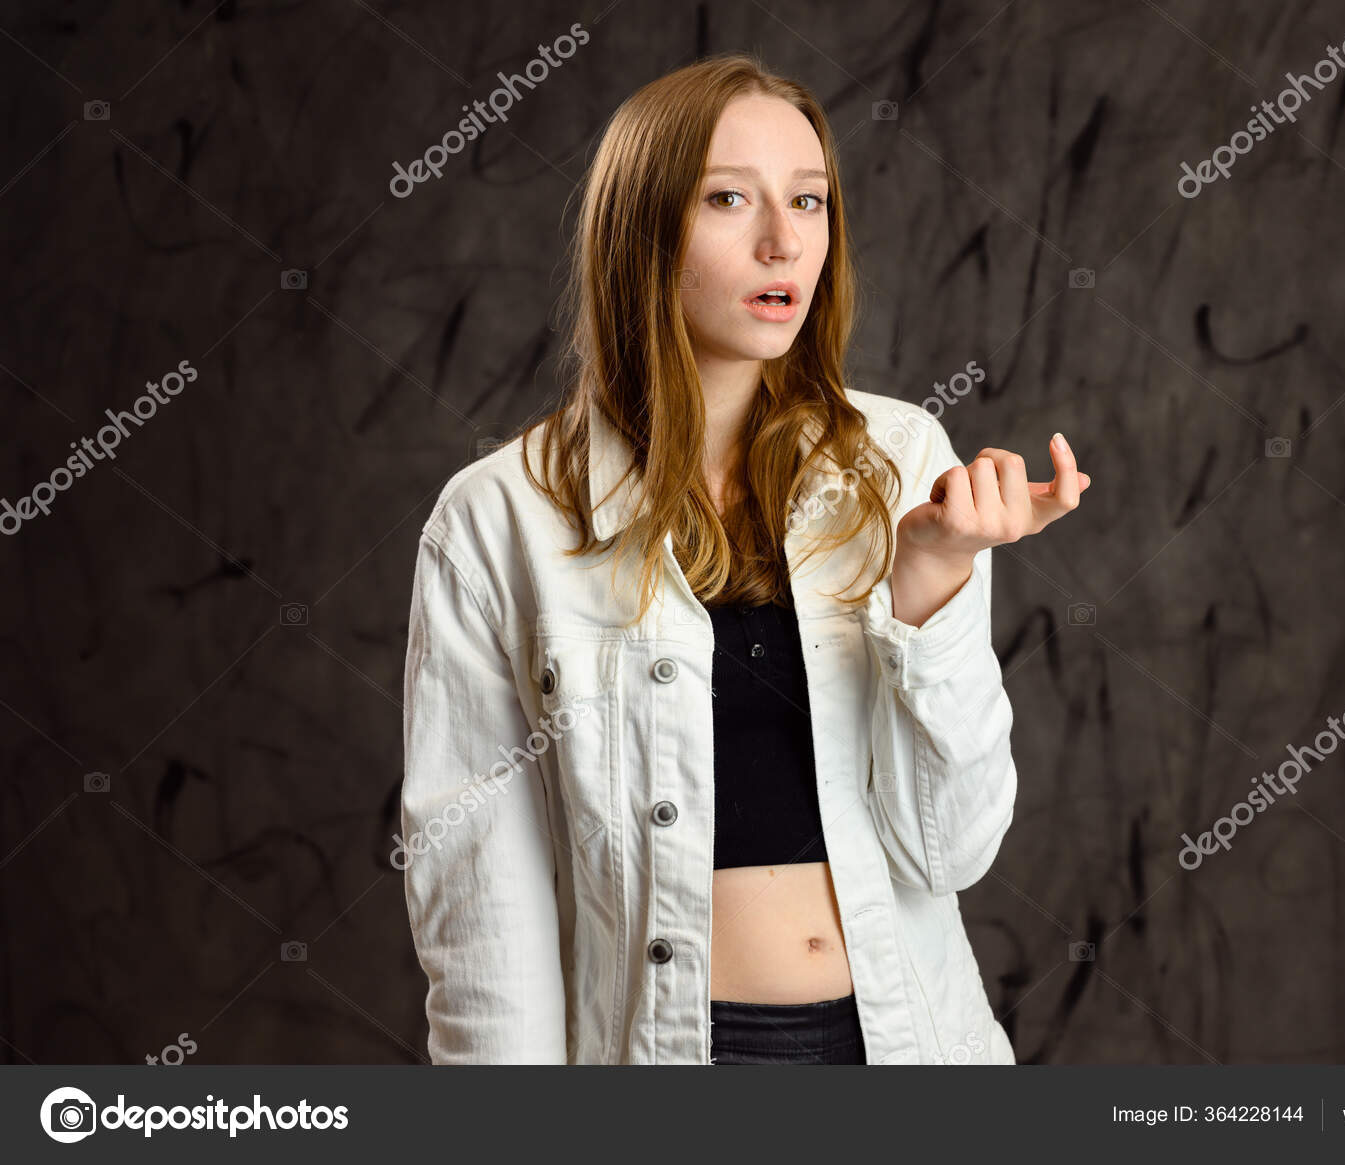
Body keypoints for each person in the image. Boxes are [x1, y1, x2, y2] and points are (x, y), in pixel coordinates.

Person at [400, 51, 1090, 1065]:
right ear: (641, 228)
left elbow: (951, 849)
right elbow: (480, 914)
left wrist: (928, 590)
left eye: (808, 201)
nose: (782, 242)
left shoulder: (902, 464)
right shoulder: (497, 520)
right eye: (728, 198)